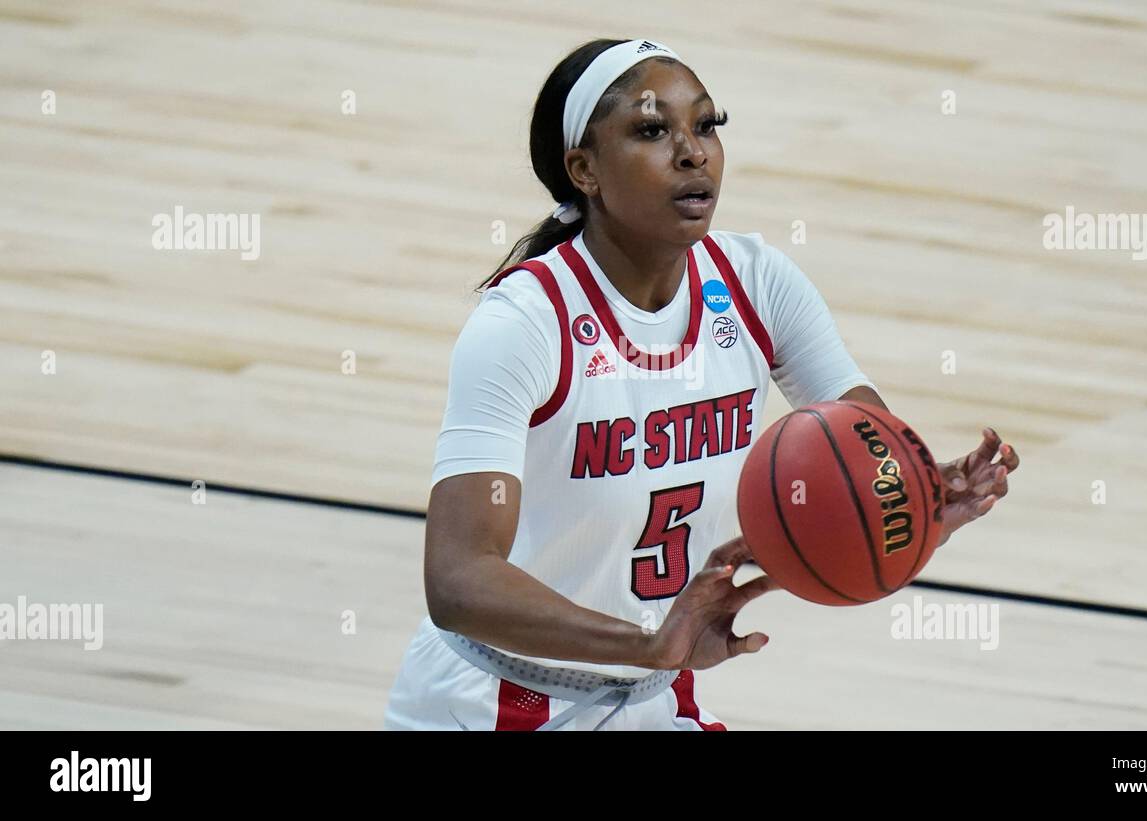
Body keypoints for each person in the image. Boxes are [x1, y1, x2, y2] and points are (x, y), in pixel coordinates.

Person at [384, 37, 1018, 731]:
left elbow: (859, 448)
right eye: (653, 130)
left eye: (708, 125)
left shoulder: (756, 283)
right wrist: (649, 644)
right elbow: (457, 577)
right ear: (584, 169)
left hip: (654, 698)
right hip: (489, 701)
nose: (694, 152)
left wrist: (915, 501)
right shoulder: (525, 323)